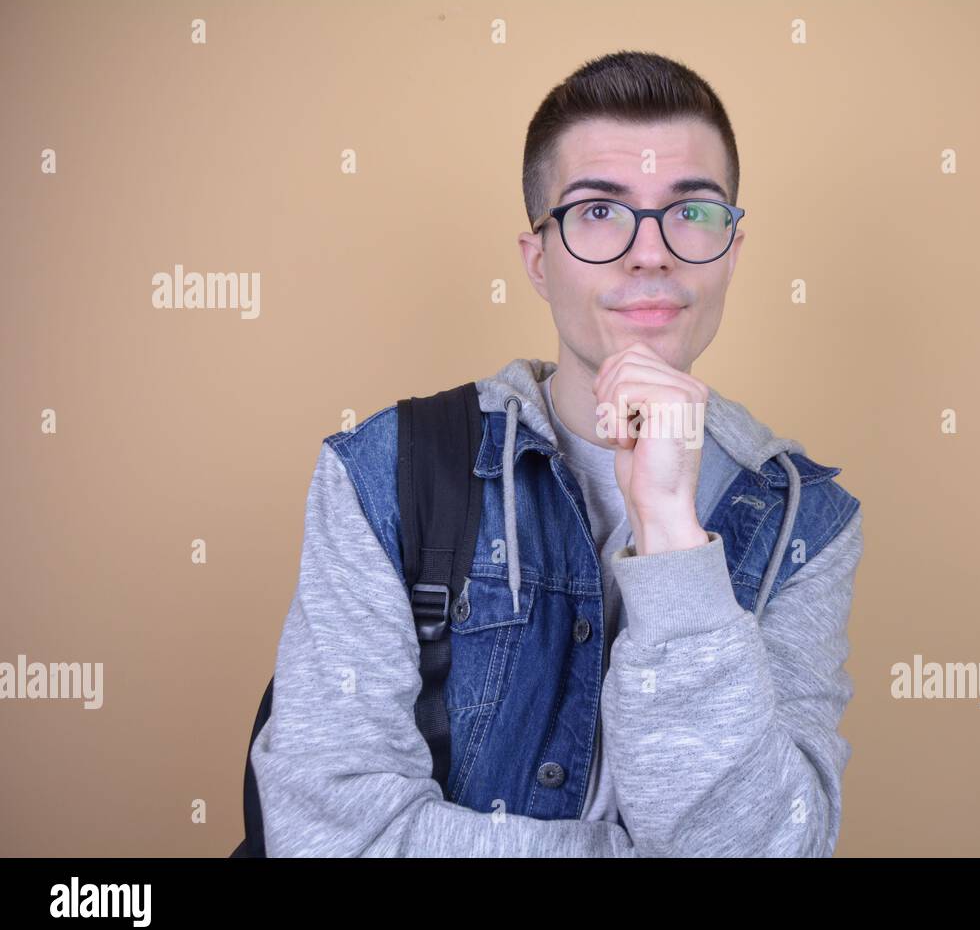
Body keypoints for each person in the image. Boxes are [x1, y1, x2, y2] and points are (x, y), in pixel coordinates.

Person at [249, 49, 864, 857]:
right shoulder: (382, 476)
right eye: (600, 212)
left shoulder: (804, 523)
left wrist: (673, 533)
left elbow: (766, 847)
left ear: (734, 252)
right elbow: (329, 837)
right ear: (539, 260)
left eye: (692, 212)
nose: (652, 253)